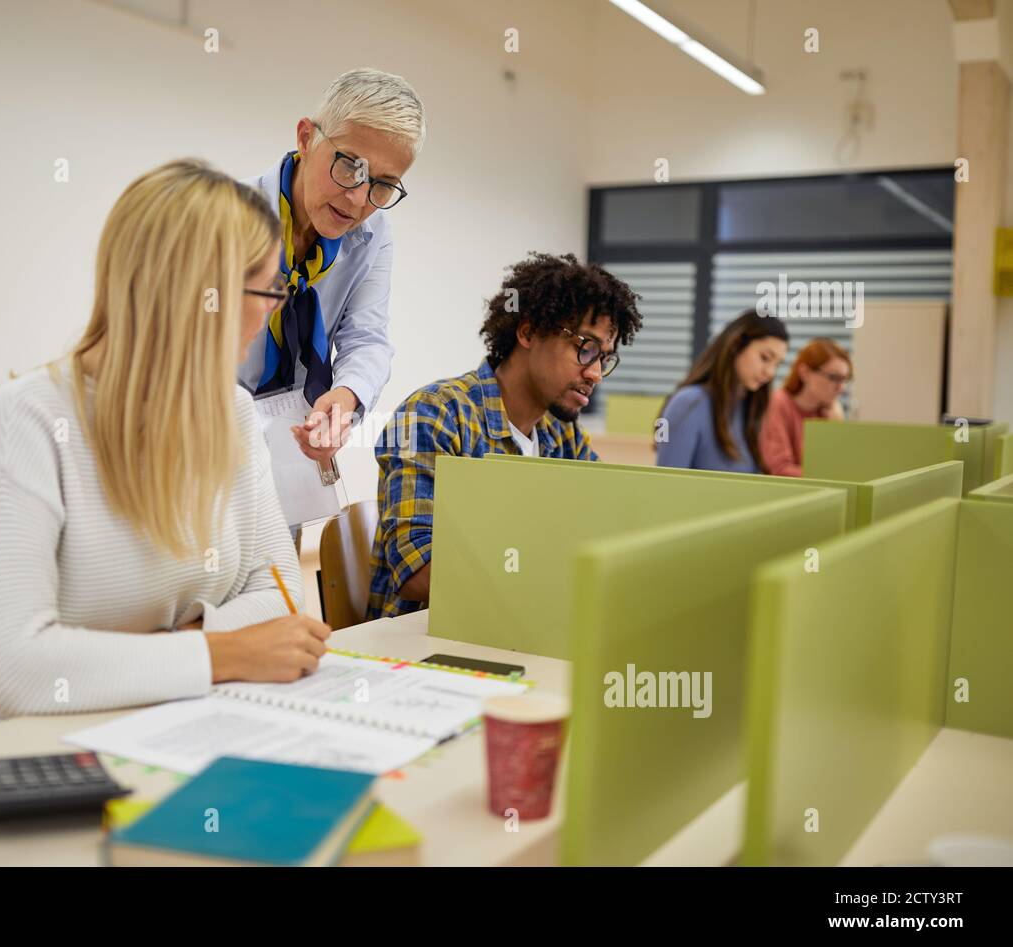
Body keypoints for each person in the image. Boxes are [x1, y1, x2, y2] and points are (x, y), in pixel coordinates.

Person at [0, 160, 330, 730]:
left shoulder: (230, 409)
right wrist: (223, 652)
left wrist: (161, 651)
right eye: (268, 287)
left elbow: (278, 594)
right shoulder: (28, 417)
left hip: (177, 723)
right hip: (39, 751)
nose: (276, 307)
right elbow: (14, 667)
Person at [366, 253, 644, 619]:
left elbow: (604, 529)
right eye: (585, 348)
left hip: (526, 623)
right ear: (527, 332)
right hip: (427, 642)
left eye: (604, 358)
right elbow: (417, 572)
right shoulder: (435, 415)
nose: (595, 374)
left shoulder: (562, 435)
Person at [240, 68, 425, 467]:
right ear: (306, 138)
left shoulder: (374, 234)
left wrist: (347, 396)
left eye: (383, 184)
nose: (359, 199)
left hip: (290, 446)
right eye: (349, 166)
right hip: (202, 432)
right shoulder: (223, 212)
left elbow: (367, 336)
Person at [656, 311, 789, 474]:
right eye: (765, 357)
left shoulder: (751, 408)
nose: (770, 372)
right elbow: (666, 484)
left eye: (777, 364)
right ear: (736, 345)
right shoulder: (688, 402)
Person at [760, 337, 852, 477]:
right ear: (805, 373)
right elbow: (779, 469)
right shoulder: (778, 404)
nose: (841, 388)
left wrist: (837, 427)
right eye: (834, 378)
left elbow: (841, 466)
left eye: (845, 379)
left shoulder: (829, 411)